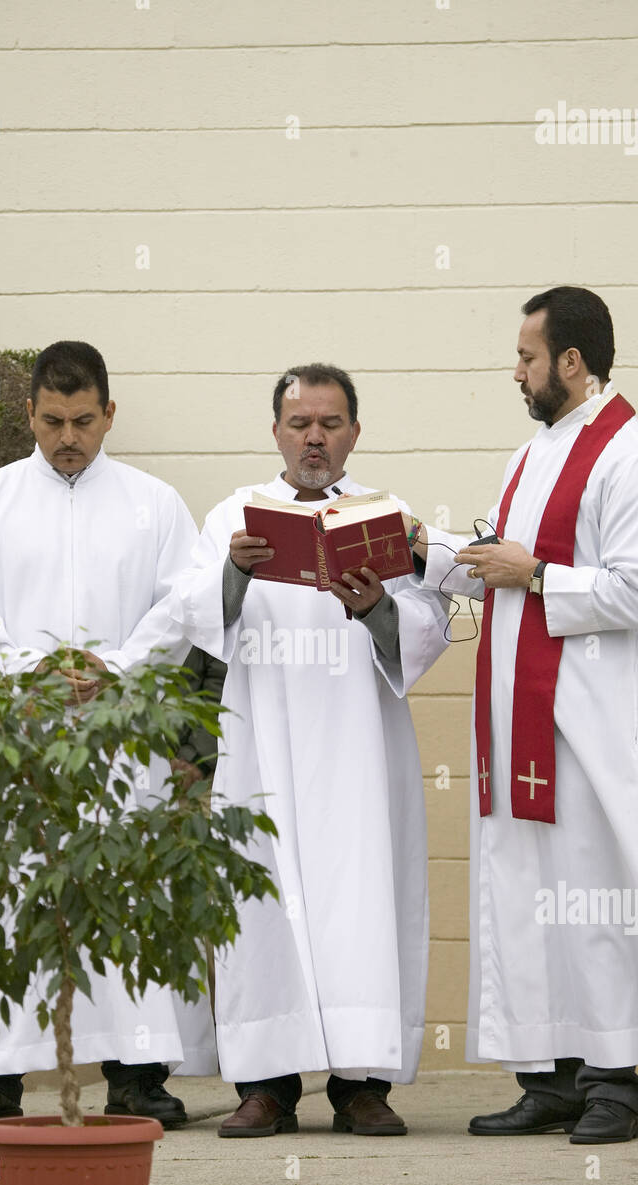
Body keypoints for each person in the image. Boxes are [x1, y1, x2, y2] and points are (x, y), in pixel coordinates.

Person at [408, 287, 638, 1142]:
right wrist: (427, 553)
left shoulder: (633, 459)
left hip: (597, 729)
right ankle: (552, 1076)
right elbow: (506, 564)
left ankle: (617, 1080)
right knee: (535, 900)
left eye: (528, 358)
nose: (518, 372)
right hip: (524, 725)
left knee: (597, 897)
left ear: (572, 362)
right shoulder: (532, 454)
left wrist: (535, 575)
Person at [0, 340, 216, 1130]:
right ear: (27, 412)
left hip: (120, 736)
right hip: (14, 739)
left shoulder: (155, 504)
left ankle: (135, 1072)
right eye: (52, 420)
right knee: (8, 895)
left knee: (127, 893)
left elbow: (182, 608)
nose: (68, 436)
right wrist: (39, 673)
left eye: (83, 420)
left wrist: (113, 669)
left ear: (109, 414)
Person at [167, 363, 450, 1137]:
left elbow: (430, 627)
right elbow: (188, 614)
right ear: (276, 433)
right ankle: (265, 1085)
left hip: (360, 748)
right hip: (261, 744)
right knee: (262, 906)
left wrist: (376, 606)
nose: (314, 438)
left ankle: (361, 1086)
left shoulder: (387, 516)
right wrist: (233, 569)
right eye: (300, 424)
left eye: (329, 424)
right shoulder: (235, 513)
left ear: (354, 432)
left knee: (363, 902)